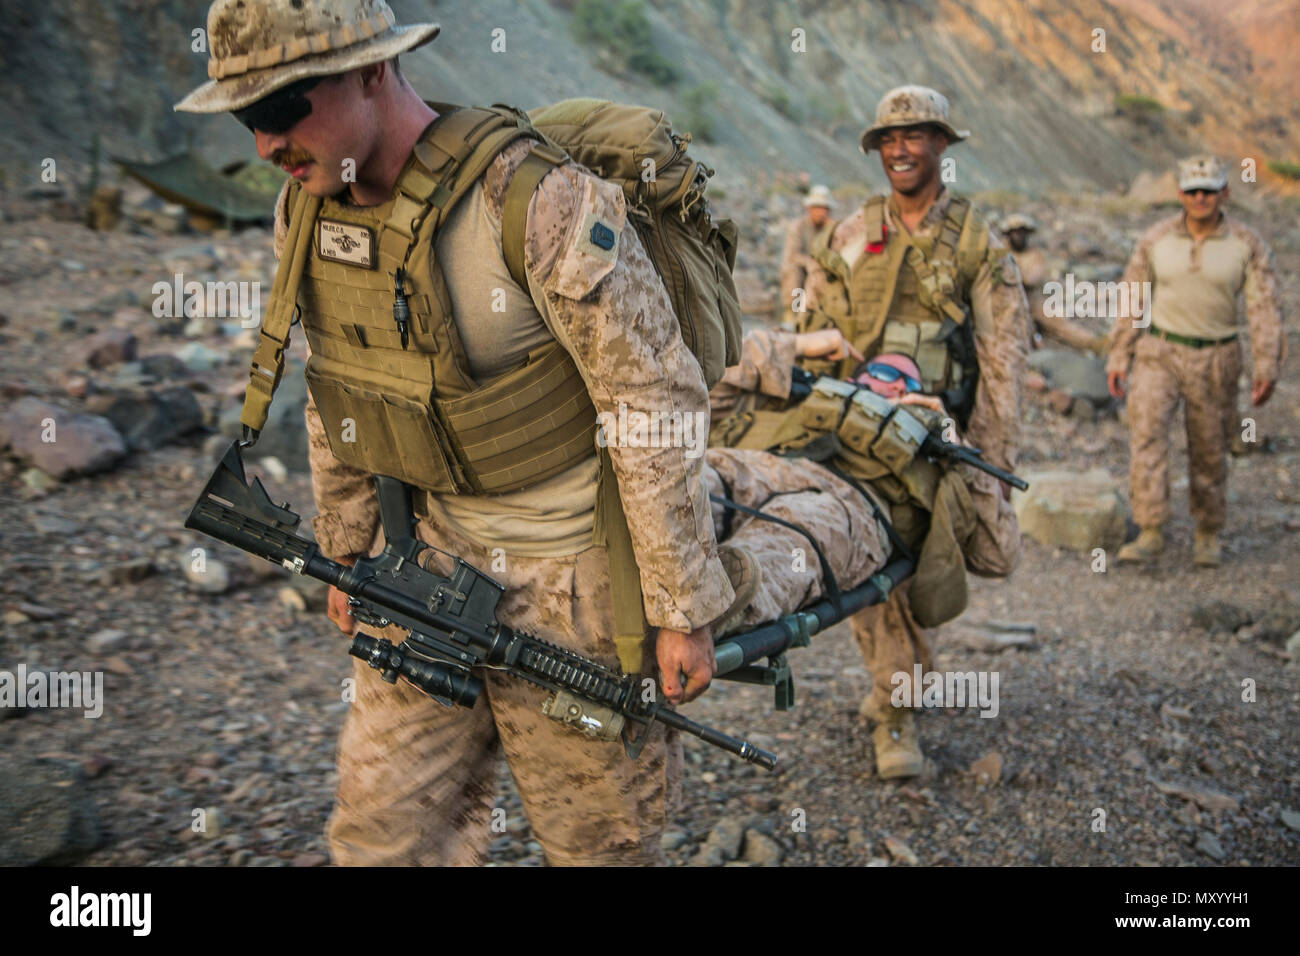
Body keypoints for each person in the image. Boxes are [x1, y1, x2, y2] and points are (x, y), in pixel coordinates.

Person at [175, 0, 889, 865]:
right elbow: (339, 391)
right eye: (247, 119)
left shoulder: (534, 203)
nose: (264, 146)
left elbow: (652, 399)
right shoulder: (308, 213)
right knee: (379, 844)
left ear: (372, 70)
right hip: (421, 567)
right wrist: (348, 545)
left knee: (597, 849)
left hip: (574, 592)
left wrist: (678, 611)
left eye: (282, 111)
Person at [793, 85, 1027, 779]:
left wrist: (985, 456)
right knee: (875, 561)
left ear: (942, 145)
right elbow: (811, 323)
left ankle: (902, 688)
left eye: (915, 136)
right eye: (887, 140)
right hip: (856, 432)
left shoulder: (975, 239)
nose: (899, 149)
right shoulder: (849, 233)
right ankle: (896, 711)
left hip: (936, 435)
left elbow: (1005, 357)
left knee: (920, 569)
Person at [1106, 155, 1285, 567]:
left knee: (1208, 446)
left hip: (1217, 355)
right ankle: (1150, 528)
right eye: (1192, 191)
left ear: (1225, 192)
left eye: (1208, 190)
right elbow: (1133, 298)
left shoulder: (1247, 244)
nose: (1200, 198)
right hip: (1159, 352)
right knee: (1147, 436)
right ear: (1180, 195)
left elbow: (1263, 307)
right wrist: (1120, 354)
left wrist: (1266, 364)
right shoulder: (1155, 240)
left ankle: (1207, 531)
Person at [1001, 213, 1106, 354]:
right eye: (1015, 232)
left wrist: (1014, 273)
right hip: (1006, 299)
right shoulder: (1000, 251)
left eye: (1022, 233)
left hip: (1032, 300)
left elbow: (1032, 278)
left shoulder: (1034, 254)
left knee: (1059, 323)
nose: (1019, 236)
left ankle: (1093, 343)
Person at [779, 184, 834, 327]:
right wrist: (810, 264)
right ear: (809, 208)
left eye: (824, 209)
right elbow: (792, 255)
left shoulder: (831, 228)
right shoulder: (797, 227)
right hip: (802, 271)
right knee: (793, 271)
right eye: (817, 208)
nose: (821, 213)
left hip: (822, 271)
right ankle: (793, 313)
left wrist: (831, 229)